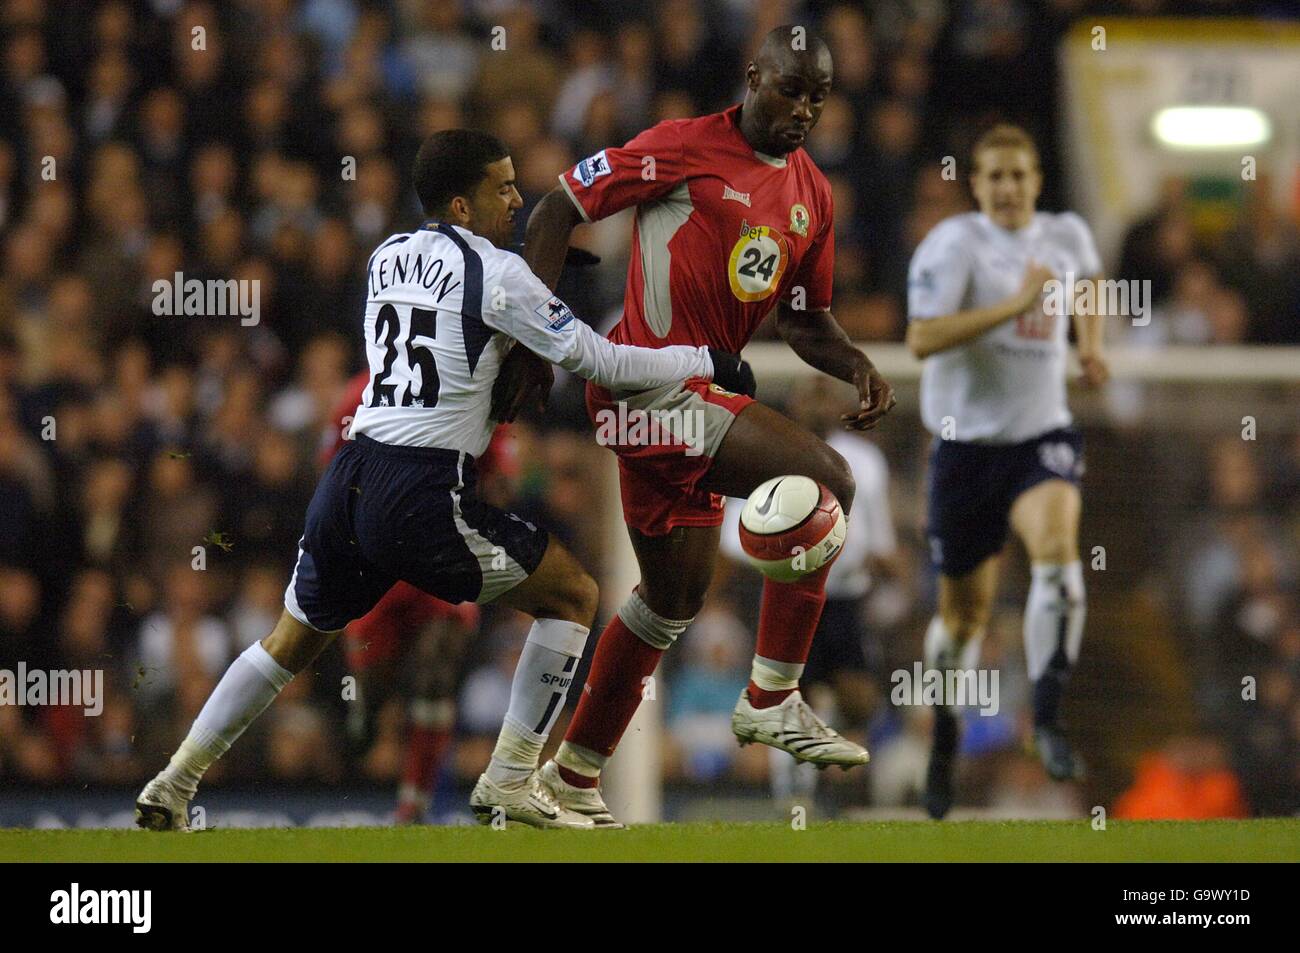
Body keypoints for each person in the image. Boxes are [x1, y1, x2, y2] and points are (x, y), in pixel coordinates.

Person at [134, 128, 757, 832]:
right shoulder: (498, 273)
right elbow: (603, 363)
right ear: (462, 203)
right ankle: (510, 778)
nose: (519, 198)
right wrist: (705, 360)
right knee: (575, 595)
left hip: (350, 473)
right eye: (504, 186)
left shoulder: (385, 257)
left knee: (288, 642)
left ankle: (173, 781)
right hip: (422, 485)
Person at [516, 25, 896, 828]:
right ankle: (772, 696)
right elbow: (557, 209)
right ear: (753, 77)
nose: (803, 110)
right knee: (831, 479)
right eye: (789, 89)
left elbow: (803, 319)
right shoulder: (680, 147)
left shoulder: (813, 195)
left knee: (668, 602)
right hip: (645, 391)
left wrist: (855, 362)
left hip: (692, 399)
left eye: (817, 98)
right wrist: (535, 341)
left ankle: (571, 775)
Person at [904, 123, 1109, 819]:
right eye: (994, 176)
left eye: (1019, 174)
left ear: (1037, 181)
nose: (1009, 187)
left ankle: (1047, 721)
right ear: (977, 184)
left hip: (1039, 438)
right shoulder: (954, 246)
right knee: (964, 618)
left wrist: (1090, 347)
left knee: (1058, 558)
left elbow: (1089, 287)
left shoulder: (1066, 235)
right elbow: (922, 337)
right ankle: (944, 737)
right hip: (964, 450)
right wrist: (1015, 308)